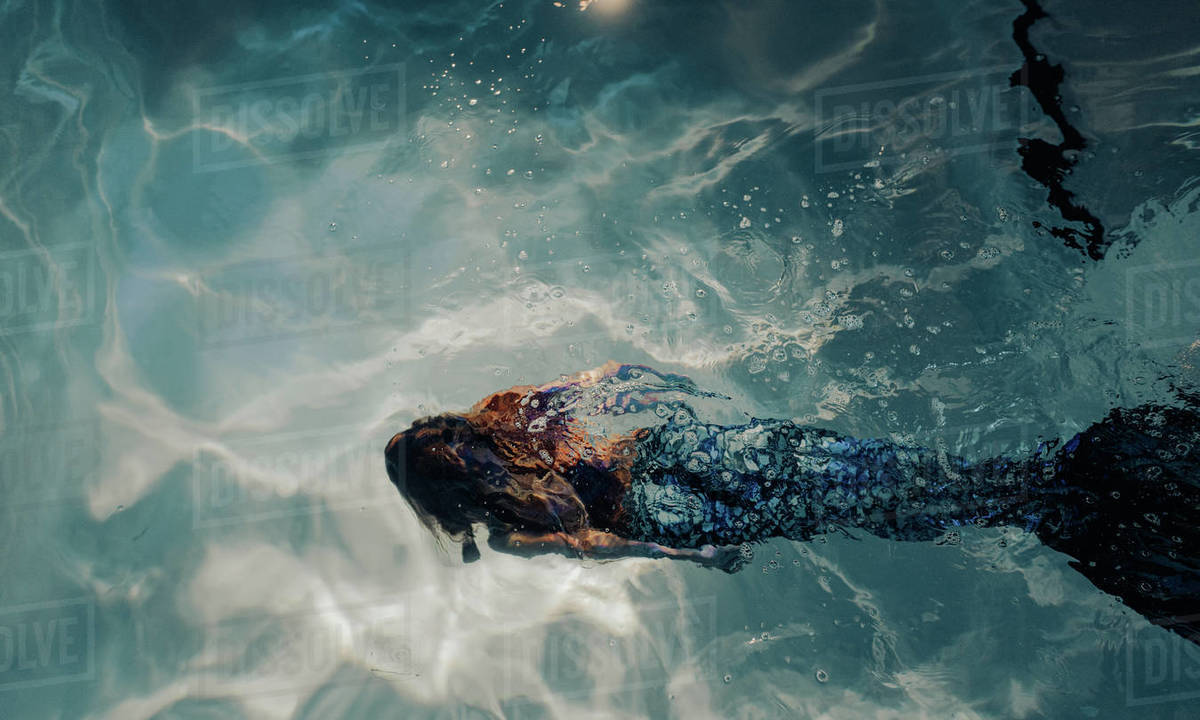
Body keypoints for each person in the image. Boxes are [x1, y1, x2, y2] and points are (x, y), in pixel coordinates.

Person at [385, 362, 1200, 642]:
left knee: (858, 502)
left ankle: (1073, 502)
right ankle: (1076, 484)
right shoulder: (507, 417)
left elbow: (600, 545)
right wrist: (643, 384)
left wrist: (687, 554)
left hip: (674, 512)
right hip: (672, 455)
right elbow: (608, 377)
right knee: (863, 478)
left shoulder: (506, 528)